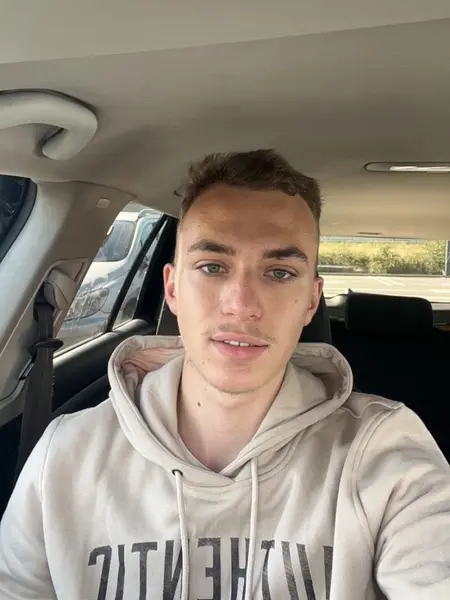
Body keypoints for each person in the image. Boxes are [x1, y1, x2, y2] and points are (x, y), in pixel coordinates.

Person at [0, 149, 449, 599]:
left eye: (279, 272)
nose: (242, 305)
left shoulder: (382, 452)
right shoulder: (67, 455)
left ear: (312, 302)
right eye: (213, 267)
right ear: (172, 288)